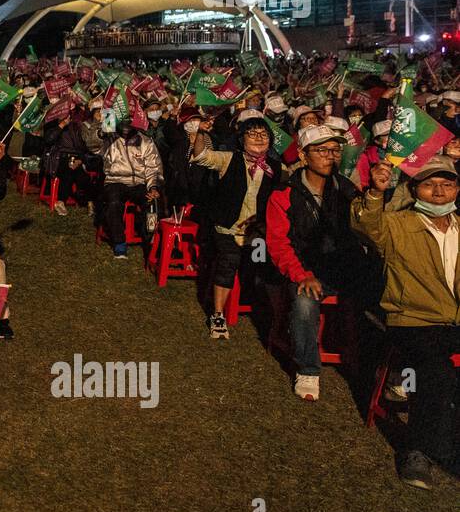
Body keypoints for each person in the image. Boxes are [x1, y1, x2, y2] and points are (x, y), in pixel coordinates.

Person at [353, 154, 460, 488]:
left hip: (455, 320)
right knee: (437, 371)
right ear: (415, 190)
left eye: (447, 183)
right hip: (413, 320)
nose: (439, 191)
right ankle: (419, 449)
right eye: (429, 184)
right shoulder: (397, 224)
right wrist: (375, 192)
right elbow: (366, 225)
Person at [265, 124, 377, 402]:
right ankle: (308, 368)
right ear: (303, 156)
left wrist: (375, 192)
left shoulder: (345, 188)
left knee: (383, 296)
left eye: (335, 150)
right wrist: (301, 274)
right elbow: (278, 243)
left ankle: (376, 366)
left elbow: (365, 225)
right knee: (304, 303)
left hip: (343, 268)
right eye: (322, 150)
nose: (330, 156)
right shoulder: (284, 193)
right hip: (305, 269)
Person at [190, 111, 283, 339]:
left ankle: (261, 311)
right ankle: (218, 314)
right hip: (227, 228)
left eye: (264, 134)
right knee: (228, 262)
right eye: (252, 134)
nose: (259, 138)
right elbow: (201, 155)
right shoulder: (229, 158)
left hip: (257, 233)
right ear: (242, 140)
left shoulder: (276, 168)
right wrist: (201, 131)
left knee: (261, 263)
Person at [100, 118, 163, 260]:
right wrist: (102, 130)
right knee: (114, 203)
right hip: (115, 180)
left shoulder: (146, 141)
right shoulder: (110, 139)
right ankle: (119, 242)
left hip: (139, 183)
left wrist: (153, 186)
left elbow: (154, 167)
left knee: (151, 203)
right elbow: (94, 145)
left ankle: (150, 239)